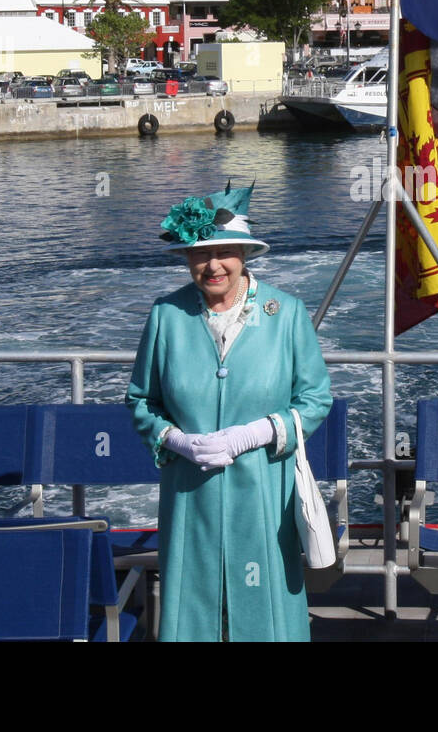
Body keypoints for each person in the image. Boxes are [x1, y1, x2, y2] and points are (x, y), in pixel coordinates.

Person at [125, 184, 332, 641]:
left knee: (264, 611)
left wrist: (259, 432)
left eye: (223, 253)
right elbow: (141, 399)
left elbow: (315, 399)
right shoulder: (166, 315)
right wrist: (175, 439)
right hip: (189, 494)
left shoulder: (287, 314)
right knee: (192, 608)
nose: (212, 265)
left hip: (264, 491)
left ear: (243, 253)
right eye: (199, 255)